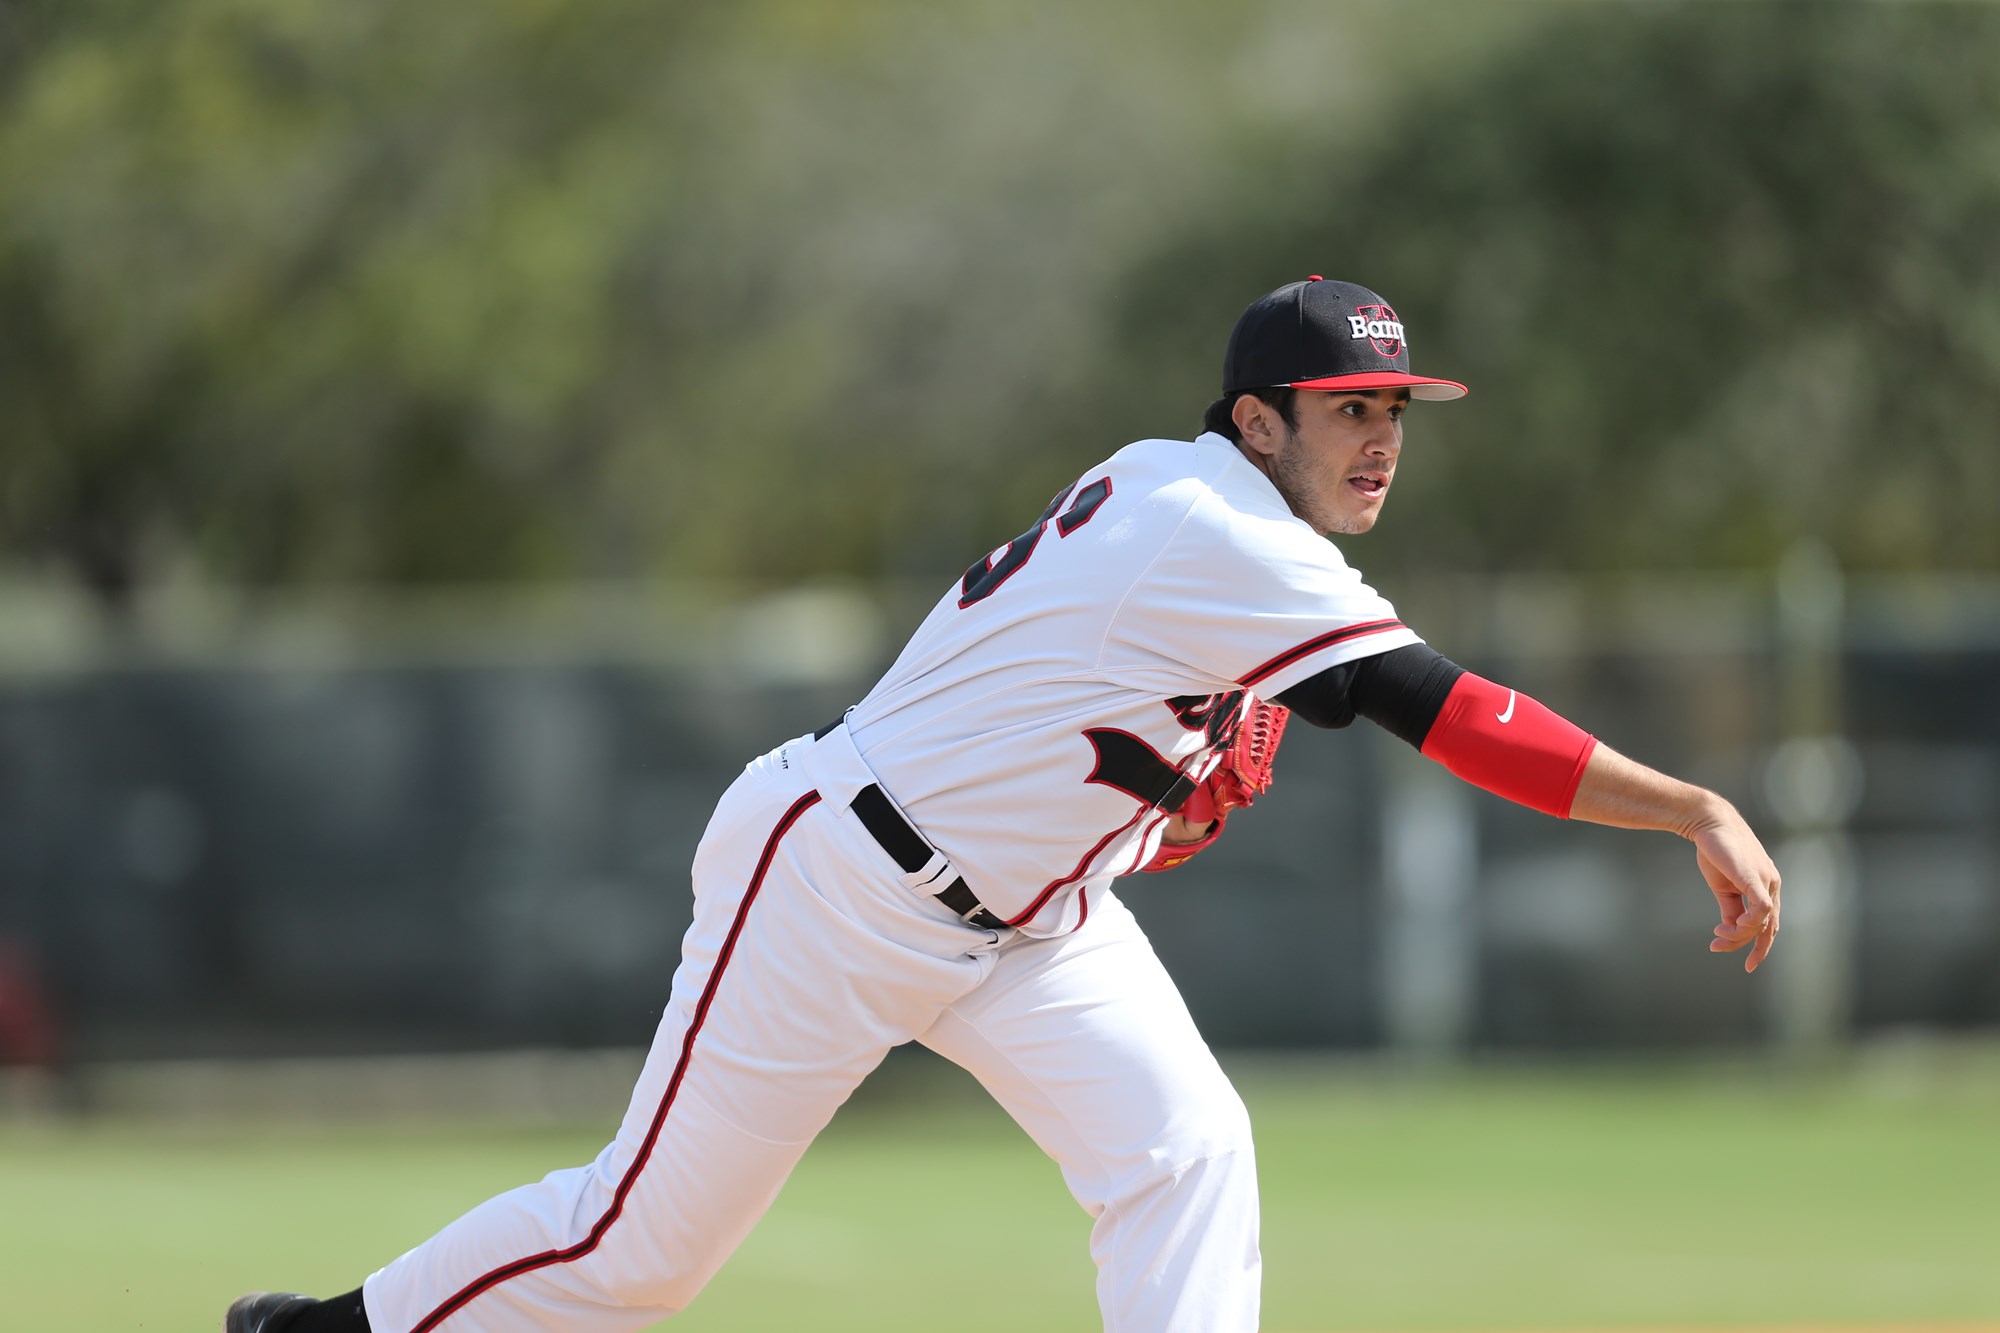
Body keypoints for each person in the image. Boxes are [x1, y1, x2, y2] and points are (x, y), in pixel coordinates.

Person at [227, 276, 1781, 1333]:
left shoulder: (1190, 497)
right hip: (839, 881)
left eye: (1395, 407)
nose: (1380, 436)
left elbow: (1114, 712)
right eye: (1346, 405)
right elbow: (1447, 711)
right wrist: (1689, 803)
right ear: (1258, 421)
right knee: (636, 1251)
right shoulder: (1221, 526)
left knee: (1186, 1149)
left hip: (1034, 921)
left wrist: (1152, 803)